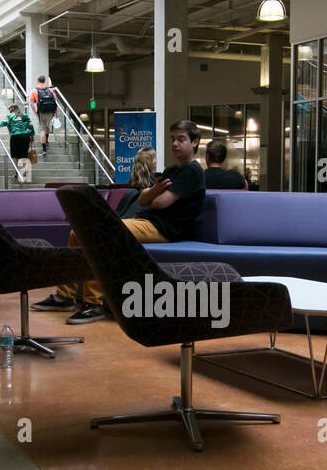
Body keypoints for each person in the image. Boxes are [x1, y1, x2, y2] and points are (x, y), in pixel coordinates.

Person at [33, 121, 206, 324]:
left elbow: (159, 203)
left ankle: (94, 304)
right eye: (172, 139)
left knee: (99, 233)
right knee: (77, 232)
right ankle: (64, 296)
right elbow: (142, 199)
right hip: (146, 221)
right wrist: (153, 193)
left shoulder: (192, 172)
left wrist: (154, 192)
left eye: (181, 139)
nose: (175, 144)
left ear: (194, 142)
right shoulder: (171, 171)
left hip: (166, 229)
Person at [0, 103, 35, 178]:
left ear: (11, 109)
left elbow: (5, 122)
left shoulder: (10, 116)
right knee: (24, 155)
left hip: (15, 136)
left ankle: (17, 172)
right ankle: (24, 172)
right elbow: (30, 125)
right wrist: (32, 135)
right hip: (25, 136)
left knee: (14, 155)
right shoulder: (25, 115)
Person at [29, 75, 60, 154]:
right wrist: (56, 113)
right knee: (47, 127)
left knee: (42, 129)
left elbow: (32, 103)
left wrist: (35, 111)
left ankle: (44, 149)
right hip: (50, 112)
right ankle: (47, 141)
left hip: (41, 112)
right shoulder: (50, 90)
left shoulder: (34, 91)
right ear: (44, 81)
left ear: (37, 80)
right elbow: (55, 102)